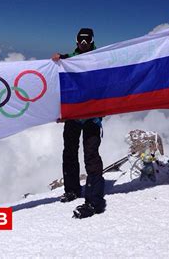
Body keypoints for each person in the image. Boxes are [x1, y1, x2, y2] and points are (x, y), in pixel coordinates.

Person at [52, 28, 106, 219]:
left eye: (87, 40)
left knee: (91, 156)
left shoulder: (100, 59)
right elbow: (59, 83)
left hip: (92, 118)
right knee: (69, 153)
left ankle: (95, 199)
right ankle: (72, 189)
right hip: (73, 116)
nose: (84, 43)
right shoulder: (68, 61)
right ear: (76, 41)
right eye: (81, 40)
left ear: (92, 41)